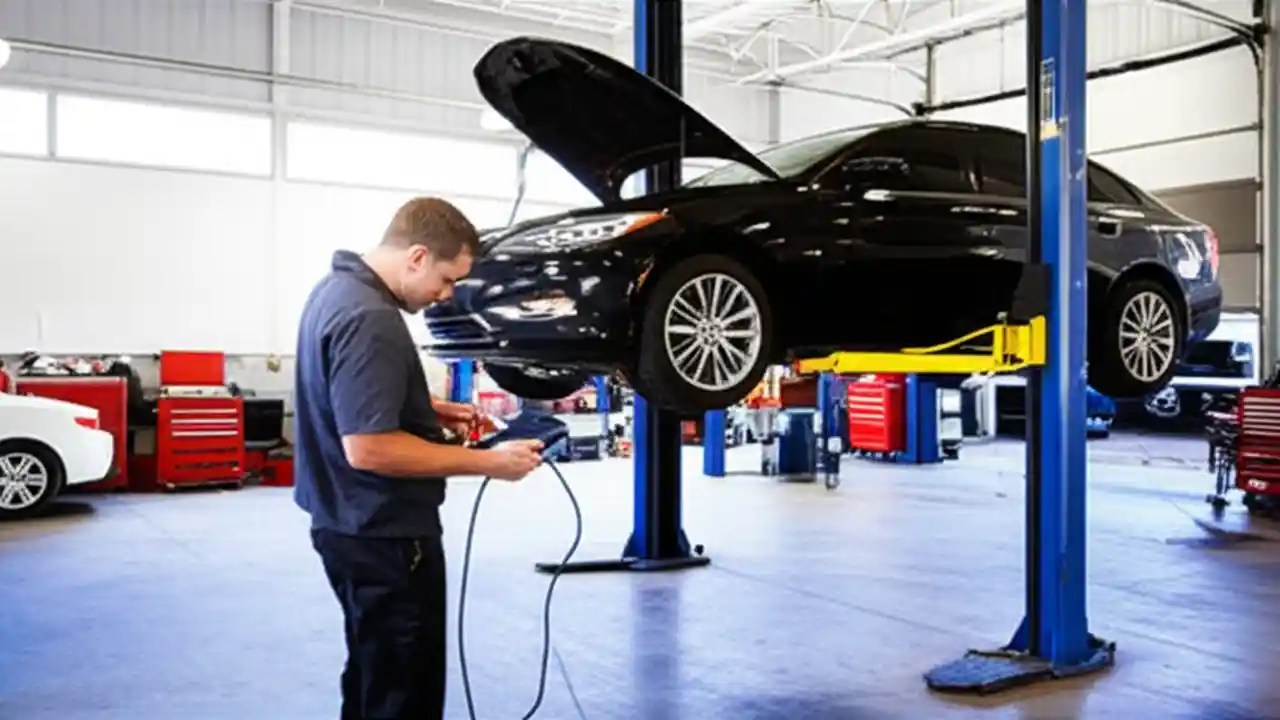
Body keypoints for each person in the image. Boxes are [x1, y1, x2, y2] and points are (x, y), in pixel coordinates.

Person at [293, 196, 544, 719]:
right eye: (448, 280)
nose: (444, 295)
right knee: (405, 692)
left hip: (344, 525)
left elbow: (344, 395)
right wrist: (490, 464)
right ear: (417, 257)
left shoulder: (335, 291)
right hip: (386, 537)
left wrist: (426, 407)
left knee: (372, 674)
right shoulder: (372, 319)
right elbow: (369, 447)